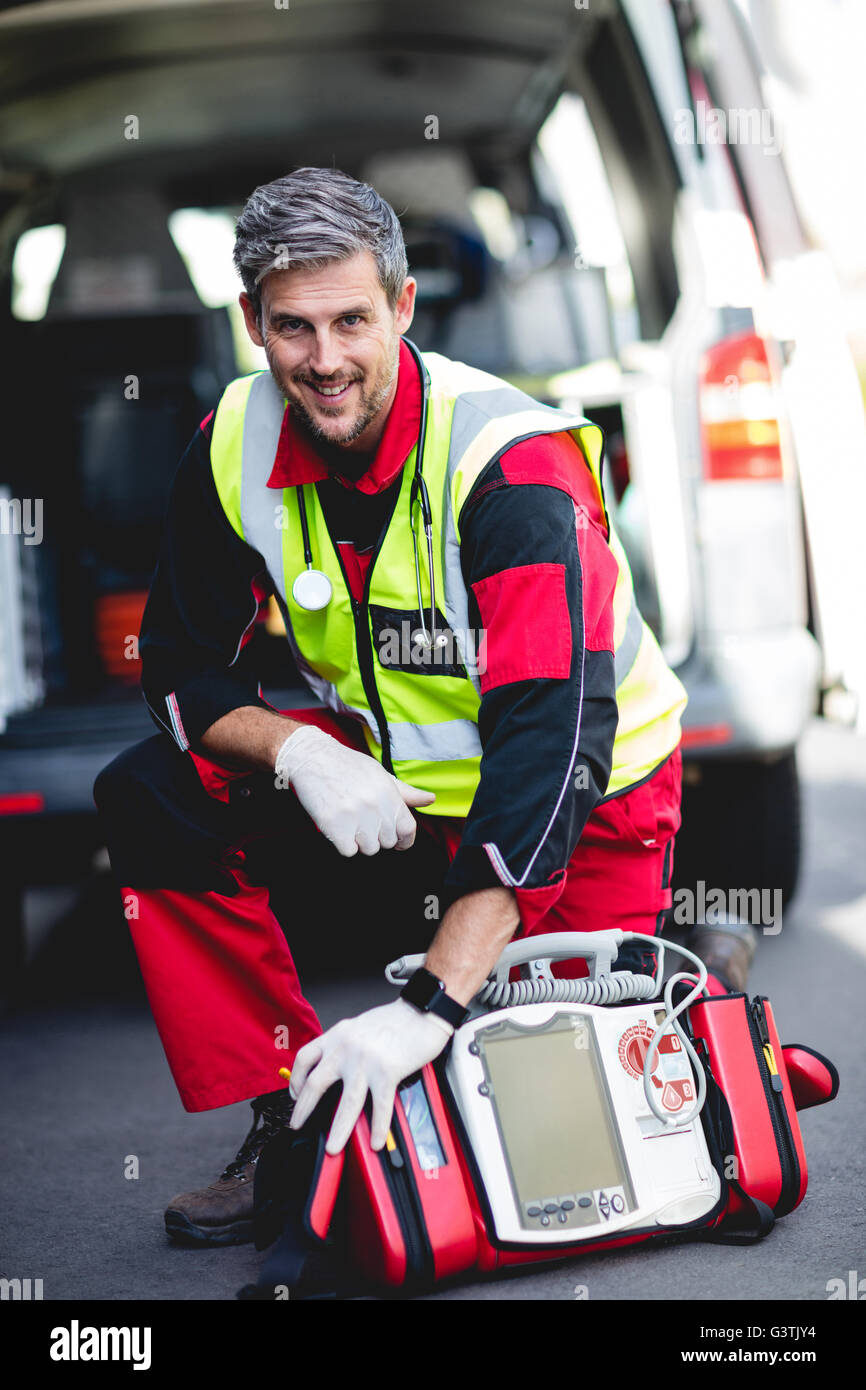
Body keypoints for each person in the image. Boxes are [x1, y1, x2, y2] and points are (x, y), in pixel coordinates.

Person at [93, 166, 711, 1248]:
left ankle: (684, 966)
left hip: (582, 802)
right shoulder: (233, 441)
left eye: (349, 321)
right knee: (149, 789)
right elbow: (180, 669)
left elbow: (548, 745)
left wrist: (428, 1006)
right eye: (292, 327)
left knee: (539, 1151)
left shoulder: (506, 469)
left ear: (403, 306)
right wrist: (298, 754)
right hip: (399, 791)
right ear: (250, 321)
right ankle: (289, 1114)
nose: (323, 362)